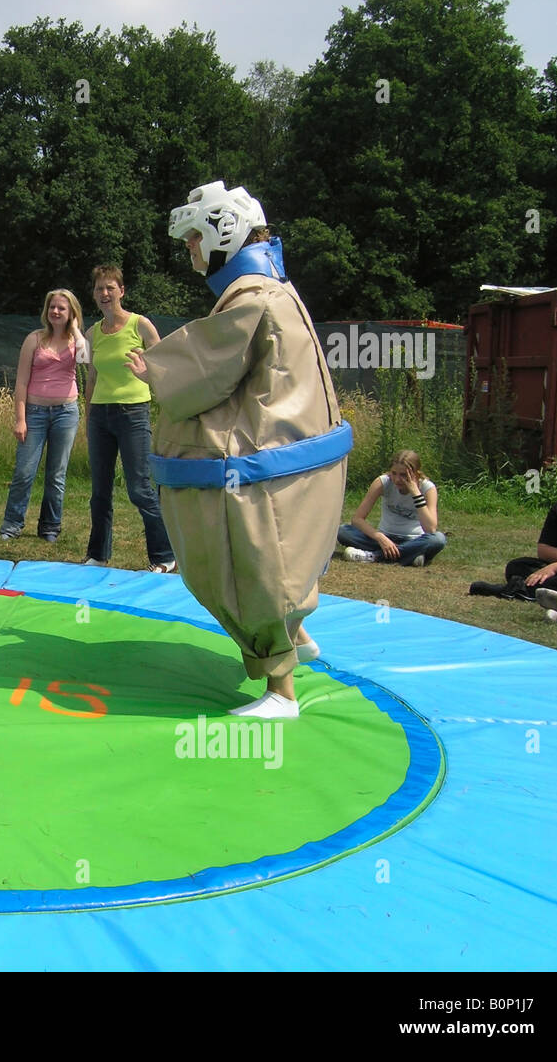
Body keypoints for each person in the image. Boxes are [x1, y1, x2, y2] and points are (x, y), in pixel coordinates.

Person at [130, 181, 351, 719]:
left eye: (192, 241)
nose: (190, 255)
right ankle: (297, 637)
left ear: (221, 233)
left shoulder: (254, 298)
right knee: (283, 554)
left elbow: (208, 369)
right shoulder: (279, 288)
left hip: (271, 463)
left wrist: (156, 369)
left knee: (255, 560)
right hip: (299, 451)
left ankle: (282, 693)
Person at [83, 265, 175, 572]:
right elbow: (92, 377)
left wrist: (148, 375)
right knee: (100, 491)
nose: (104, 294)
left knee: (139, 488)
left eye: (110, 288)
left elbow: (163, 367)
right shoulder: (92, 333)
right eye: (99, 289)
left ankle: (164, 556)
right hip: (100, 416)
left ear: (122, 291)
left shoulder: (140, 325)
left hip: (133, 413)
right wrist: (89, 414)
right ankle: (97, 555)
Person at [0, 289, 86, 542]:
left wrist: (77, 330)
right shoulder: (34, 339)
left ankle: (50, 527)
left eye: (62, 308)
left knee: (56, 475)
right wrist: (20, 418)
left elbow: (85, 359)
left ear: (71, 313)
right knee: (24, 472)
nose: (56, 312)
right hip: (35, 413)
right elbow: (22, 382)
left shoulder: (75, 341)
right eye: (52, 307)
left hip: (66, 413)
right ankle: (12, 525)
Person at [469, 452, 557, 622]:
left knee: (551, 577)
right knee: (516, 567)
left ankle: (516, 590)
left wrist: (555, 568)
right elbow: (544, 551)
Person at [337, 450, 447, 566]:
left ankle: (374, 556)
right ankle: (410, 555)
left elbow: (430, 529)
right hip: (384, 537)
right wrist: (380, 538)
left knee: (438, 539)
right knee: (343, 531)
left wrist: (416, 493)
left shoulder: (427, 488)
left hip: (414, 540)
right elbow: (357, 519)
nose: (397, 479)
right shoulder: (383, 482)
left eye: (404, 475)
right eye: (394, 473)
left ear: (416, 474)